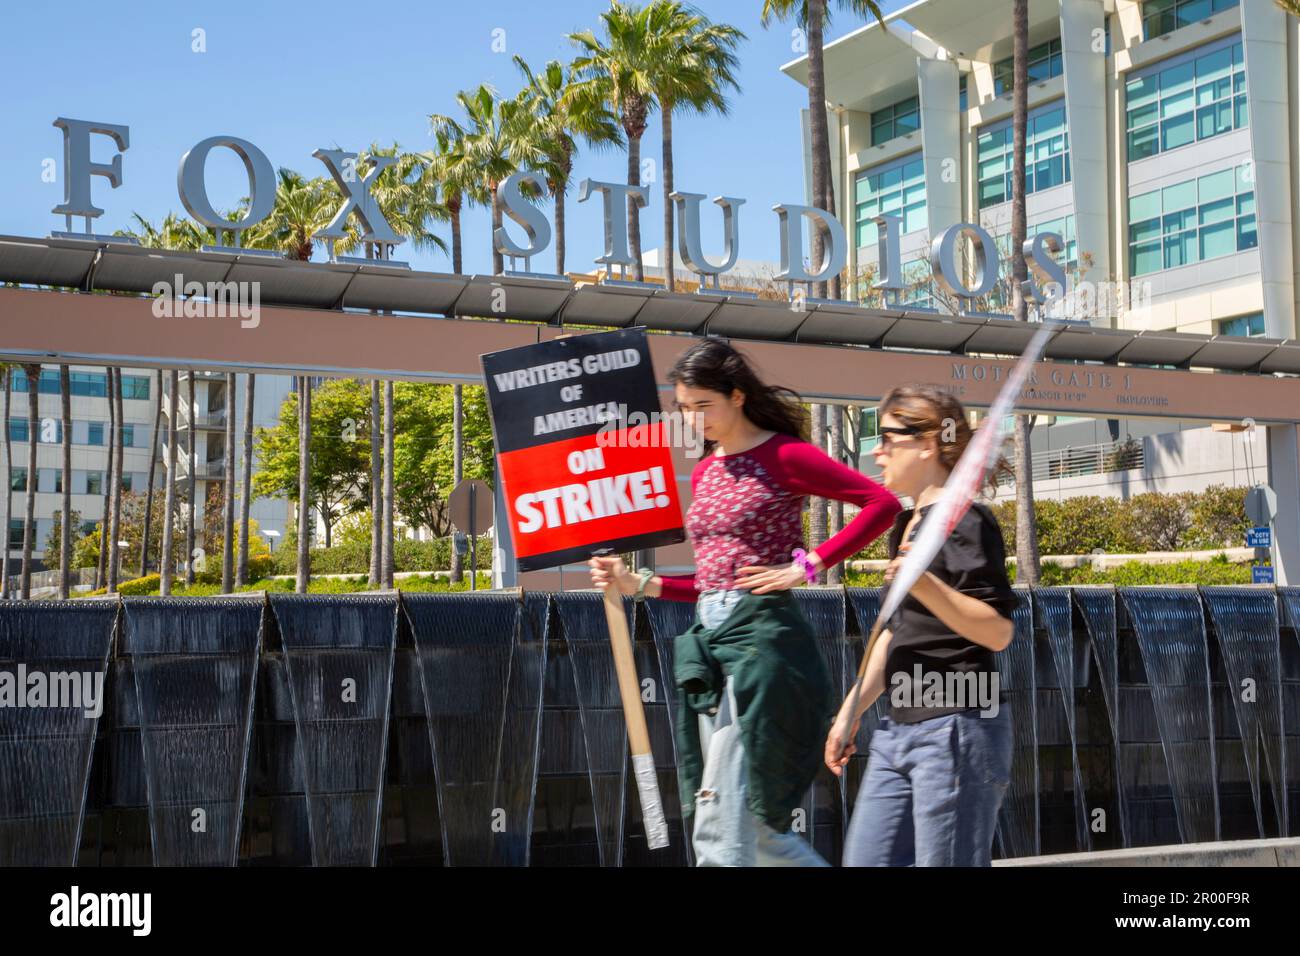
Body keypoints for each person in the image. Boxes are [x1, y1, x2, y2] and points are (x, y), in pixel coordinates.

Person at [589, 338, 900, 866]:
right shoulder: (710, 469)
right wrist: (637, 583)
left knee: (718, 820)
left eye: (703, 406)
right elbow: (715, 578)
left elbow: (882, 503)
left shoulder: (784, 454)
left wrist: (805, 566)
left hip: (762, 643)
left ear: (736, 396)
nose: (693, 420)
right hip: (712, 642)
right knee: (754, 830)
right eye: (684, 411)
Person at [826, 385, 1018, 867]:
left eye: (888, 437)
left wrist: (926, 584)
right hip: (897, 729)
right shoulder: (907, 524)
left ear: (927, 444)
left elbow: (997, 632)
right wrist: (850, 712)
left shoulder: (967, 521)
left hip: (957, 726)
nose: (877, 449)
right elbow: (895, 632)